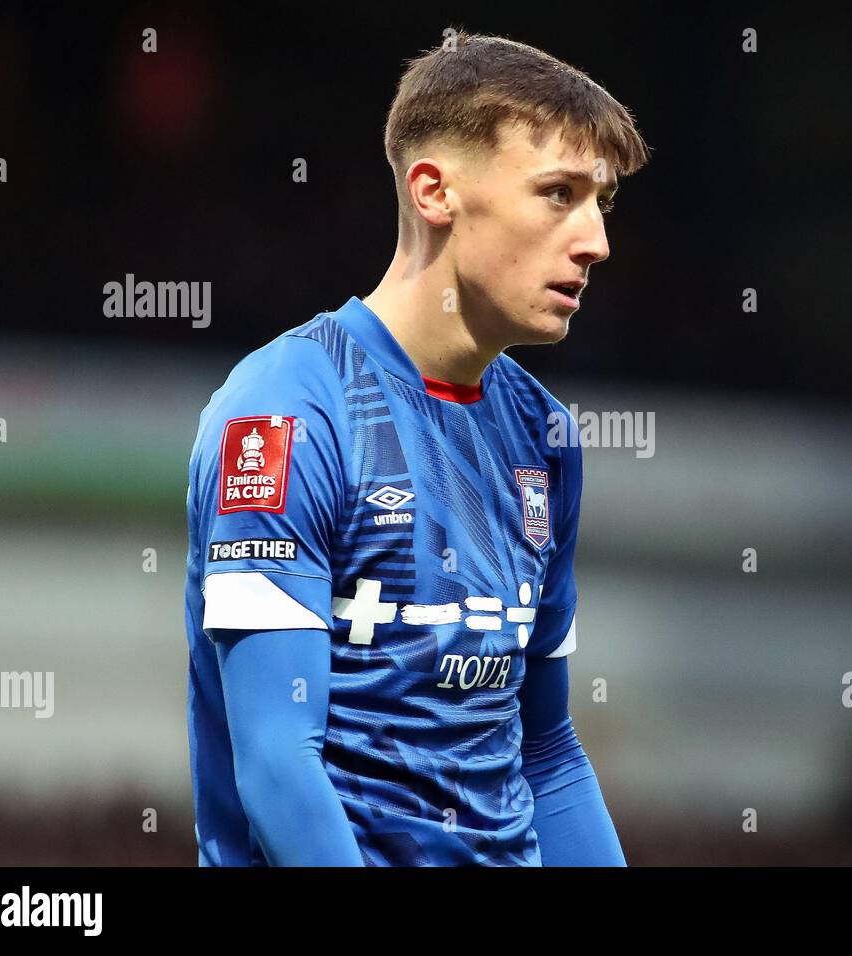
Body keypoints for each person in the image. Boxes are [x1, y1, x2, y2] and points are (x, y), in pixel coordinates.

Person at [183, 31, 650, 866]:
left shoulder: (544, 437)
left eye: (602, 202)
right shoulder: (287, 415)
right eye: (557, 193)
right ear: (434, 191)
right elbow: (277, 762)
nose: (594, 241)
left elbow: (545, 752)